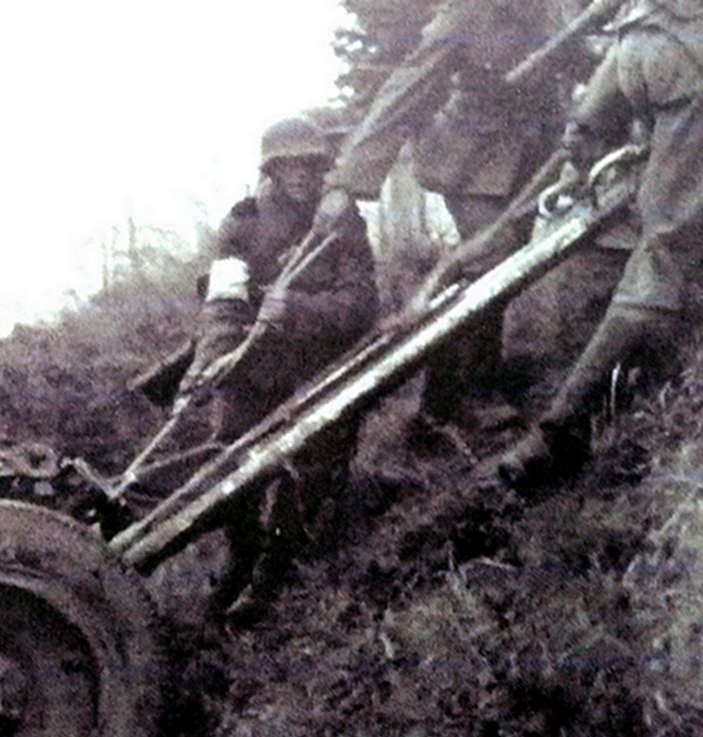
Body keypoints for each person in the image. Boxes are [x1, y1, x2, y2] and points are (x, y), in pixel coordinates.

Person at [310, 0, 584, 436]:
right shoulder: (464, 14)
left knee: (500, 266)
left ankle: (439, 400)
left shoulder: (550, 8)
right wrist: (350, 181)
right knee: (488, 265)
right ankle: (474, 393)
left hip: (528, 156)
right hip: (471, 159)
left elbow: (578, 56)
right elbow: (407, 90)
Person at [180, 110, 380, 619]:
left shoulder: (340, 222)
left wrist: (298, 311)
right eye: (290, 167)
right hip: (254, 365)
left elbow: (361, 306)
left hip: (318, 365)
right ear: (271, 170)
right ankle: (242, 556)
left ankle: (274, 571)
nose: (302, 177)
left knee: (305, 464)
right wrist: (210, 366)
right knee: (229, 455)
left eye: (311, 167)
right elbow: (223, 307)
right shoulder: (242, 224)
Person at [497, 0, 703, 488]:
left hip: (644, 42)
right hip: (688, 65)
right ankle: (555, 434)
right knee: (665, 257)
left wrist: (586, 124)